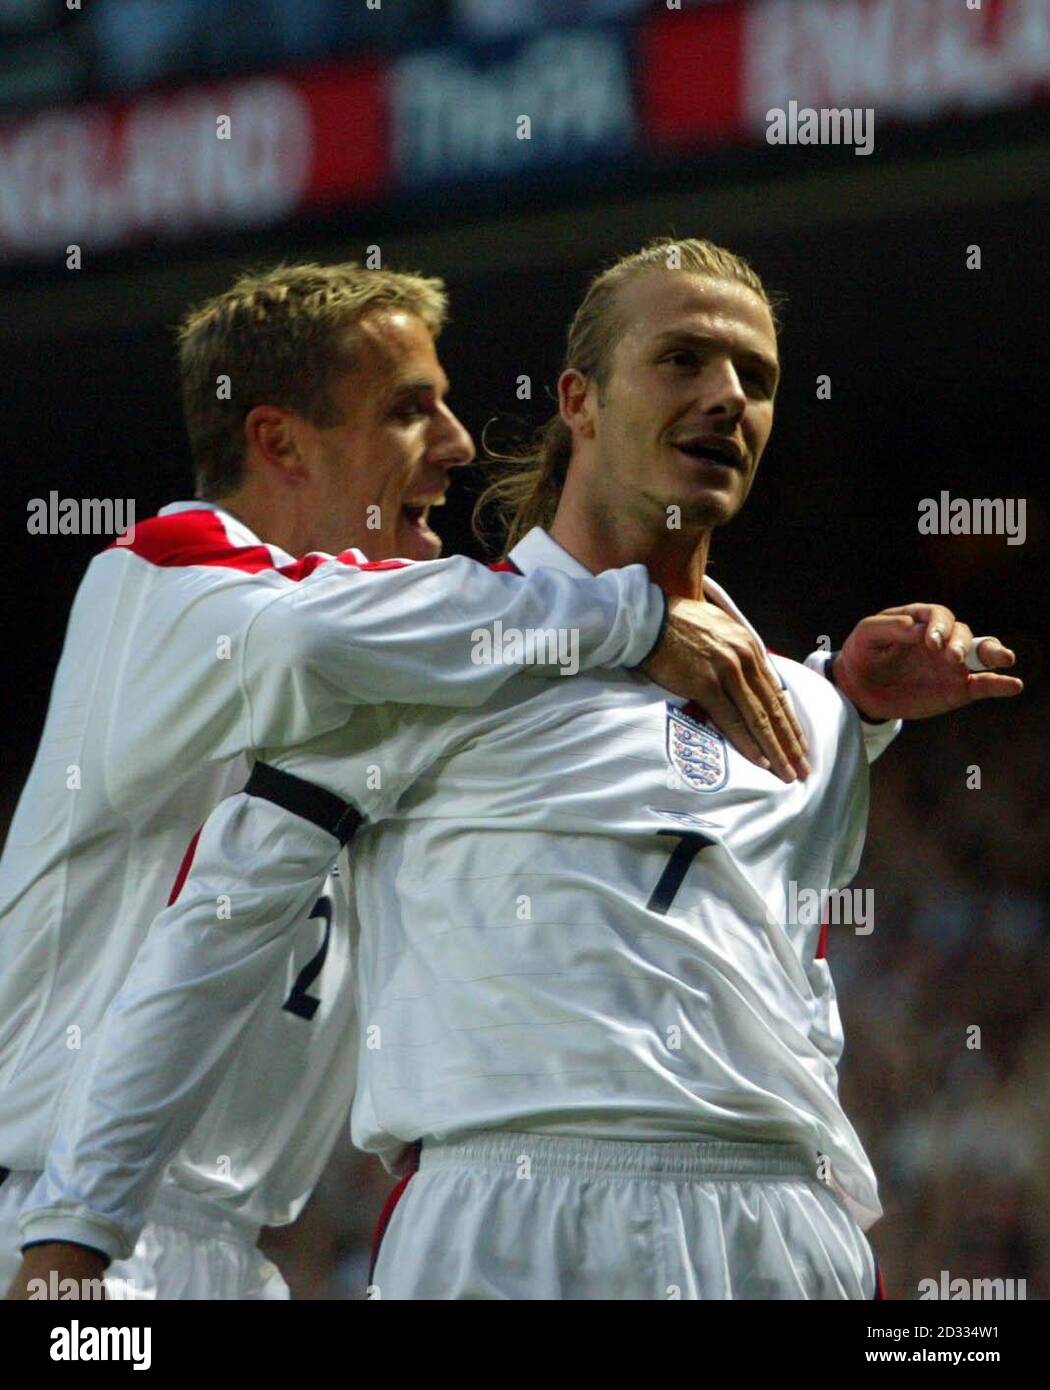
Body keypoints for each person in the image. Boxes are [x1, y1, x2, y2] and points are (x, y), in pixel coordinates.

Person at [11, 238, 1019, 1300]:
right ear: (578, 401)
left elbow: (794, 990)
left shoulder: (807, 714)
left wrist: (846, 715)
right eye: (681, 360)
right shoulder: (392, 643)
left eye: (757, 379)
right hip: (494, 1222)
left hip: (774, 1232)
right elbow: (219, 927)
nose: (727, 397)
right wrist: (74, 1235)